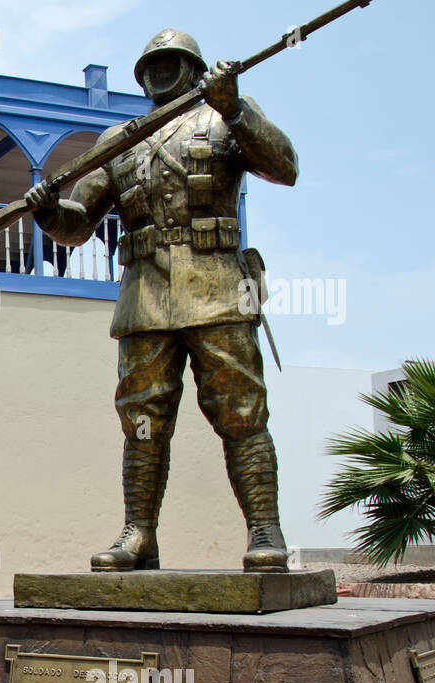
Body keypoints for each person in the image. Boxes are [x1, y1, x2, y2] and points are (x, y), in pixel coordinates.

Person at [27, 29, 298, 572]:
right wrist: (49, 211)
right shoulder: (117, 140)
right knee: (142, 421)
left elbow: (283, 167)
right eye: (152, 63)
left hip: (218, 289)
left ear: (192, 67)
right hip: (145, 299)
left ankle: (265, 530)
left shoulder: (224, 115)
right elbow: (79, 224)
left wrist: (236, 108)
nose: (161, 70)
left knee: (241, 414)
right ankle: (139, 533)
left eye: (172, 61)